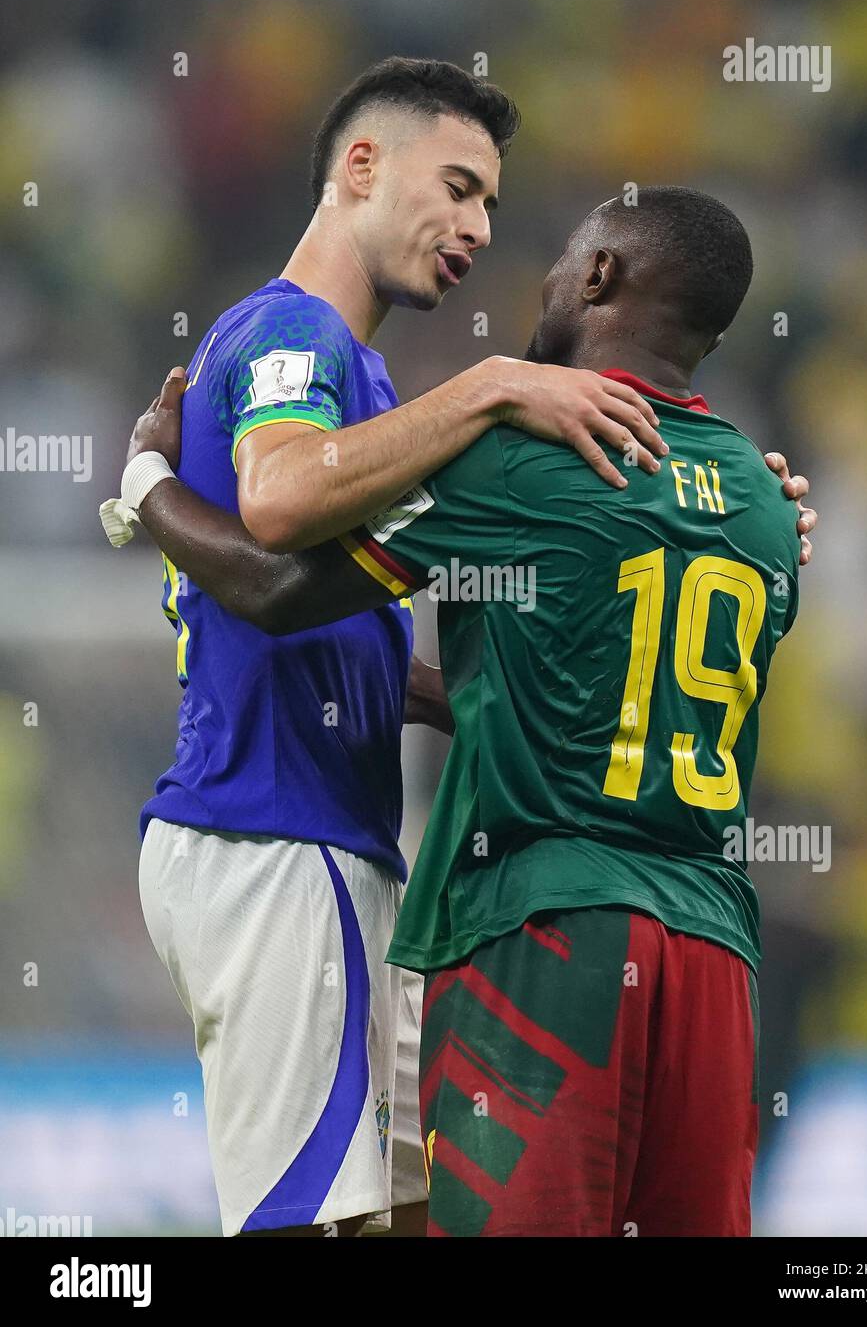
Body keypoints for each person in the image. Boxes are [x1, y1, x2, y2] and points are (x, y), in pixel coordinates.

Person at [115, 186, 817, 1236]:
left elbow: (275, 585)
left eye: (559, 254)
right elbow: (577, 682)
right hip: (714, 952)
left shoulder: (519, 459)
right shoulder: (769, 509)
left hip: (546, 933)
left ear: (599, 275)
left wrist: (151, 481)